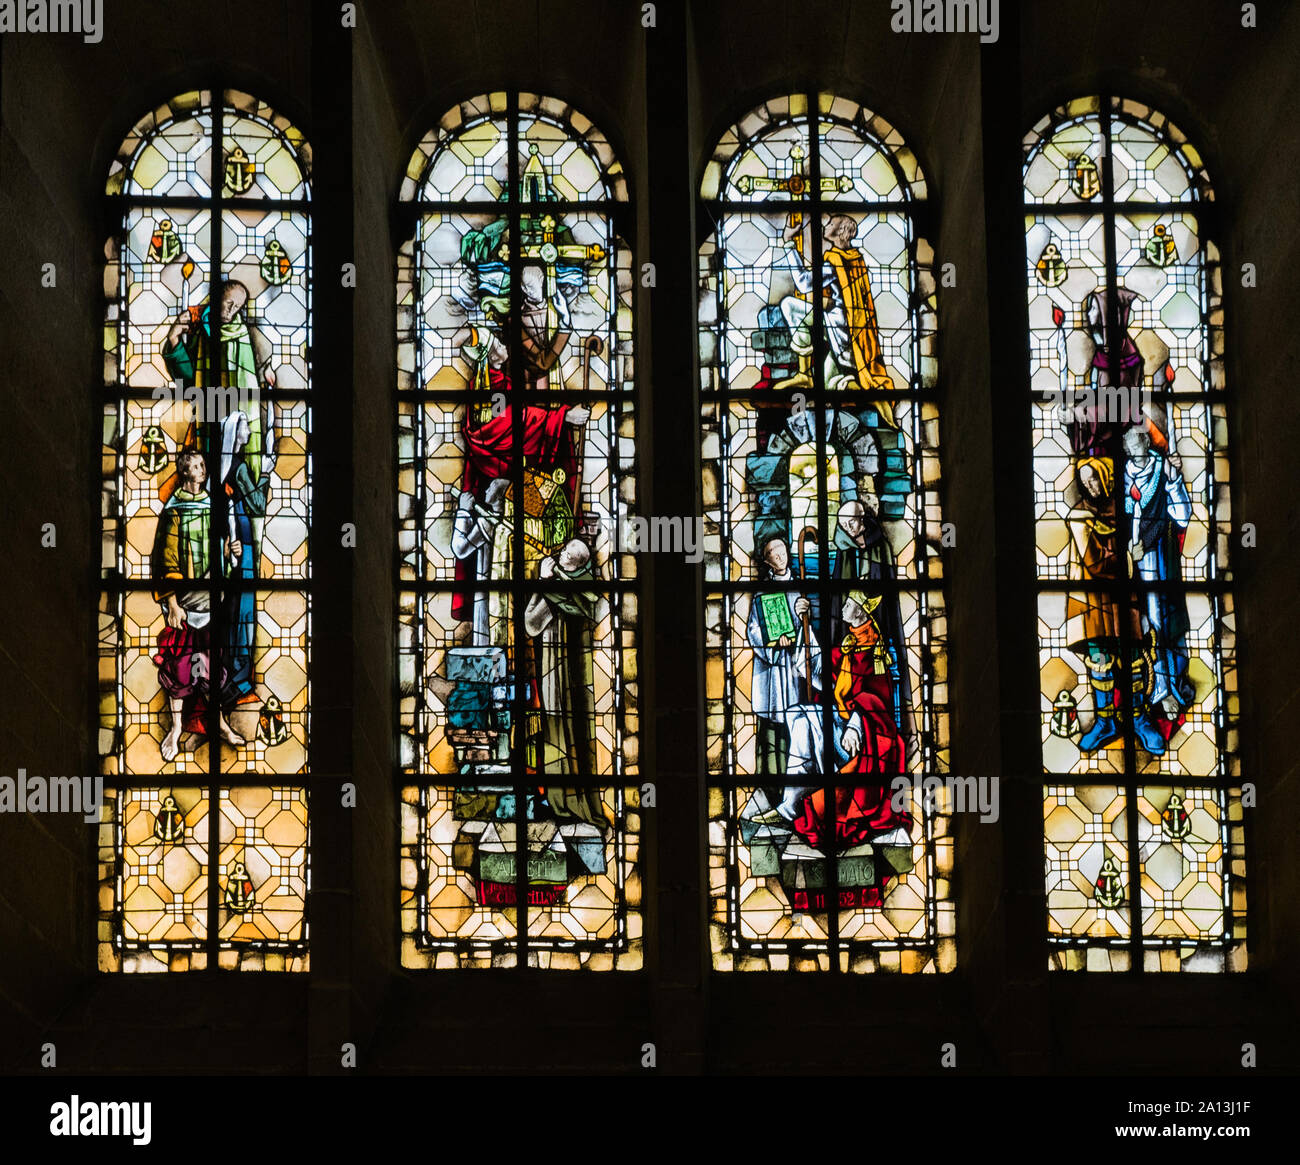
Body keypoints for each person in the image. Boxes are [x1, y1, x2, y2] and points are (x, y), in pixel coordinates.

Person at [151, 450, 244, 761]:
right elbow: (166, 559)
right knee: (179, 668)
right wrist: (173, 604)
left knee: (210, 666)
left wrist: (232, 551)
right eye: (194, 466)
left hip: (210, 601)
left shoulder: (214, 506)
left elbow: (222, 551)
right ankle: (176, 728)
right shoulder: (174, 510)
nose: (201, 470)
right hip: (185, 605)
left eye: (203, 465)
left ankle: (218, 723)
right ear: (184, 472)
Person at [523, 537, 607, 825]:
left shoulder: (561, 589)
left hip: (556, 674)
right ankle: (568, 796)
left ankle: (562, 800)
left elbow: (531, 623)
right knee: (572, 731)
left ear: (571, 565)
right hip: (576, 678)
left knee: (557, 729)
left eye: (563, 556)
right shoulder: (583, 589)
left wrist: (544, 582)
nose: (558, 556)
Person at [746, 536, 820, 776]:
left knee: (797, 720)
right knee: (772, 724)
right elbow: (753, 630)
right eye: (772, 552)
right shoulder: (761, 594)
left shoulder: (801, 588)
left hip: (795, 667)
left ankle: (798, 786)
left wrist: (803, 619)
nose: (780, 555)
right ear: (767, 561)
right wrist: (774, 644)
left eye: (782, 549)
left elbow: (811, 634)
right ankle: (771, 785)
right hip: (773, 669)